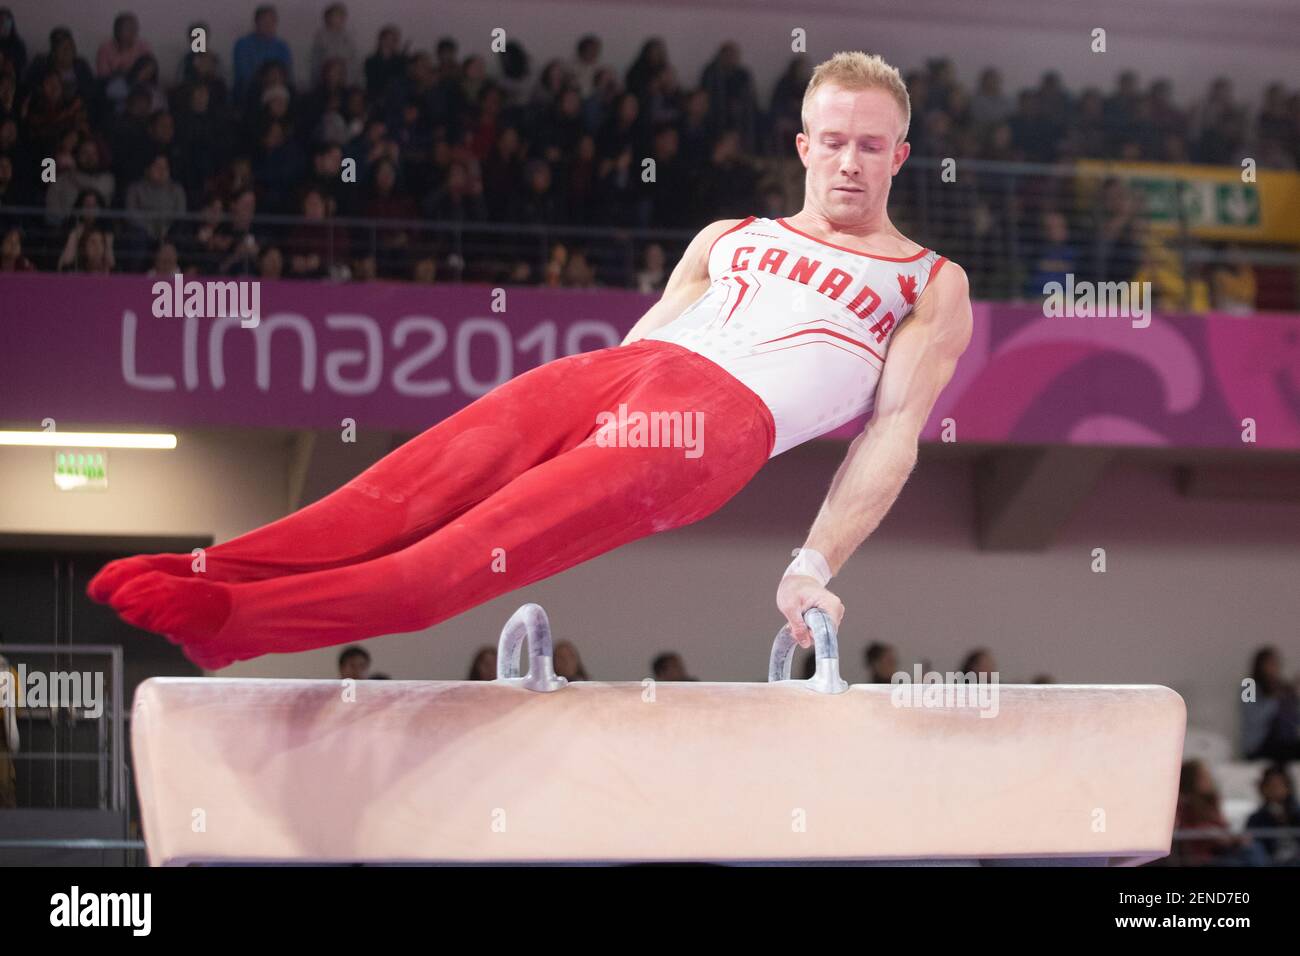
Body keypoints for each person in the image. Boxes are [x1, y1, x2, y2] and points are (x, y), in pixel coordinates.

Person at [88, 52, 972, 669]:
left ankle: (237, 624)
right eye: (833, 139)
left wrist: (811, 564)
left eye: (869, 145)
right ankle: (208, 572)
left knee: (468, 553)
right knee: (396, 496)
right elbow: (643, 345)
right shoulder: (728, 234)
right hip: (614, 373)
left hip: (713, 426)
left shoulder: (929, 281)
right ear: (803, 145)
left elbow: (892, 436)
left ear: (898, 156)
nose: (848, 162)